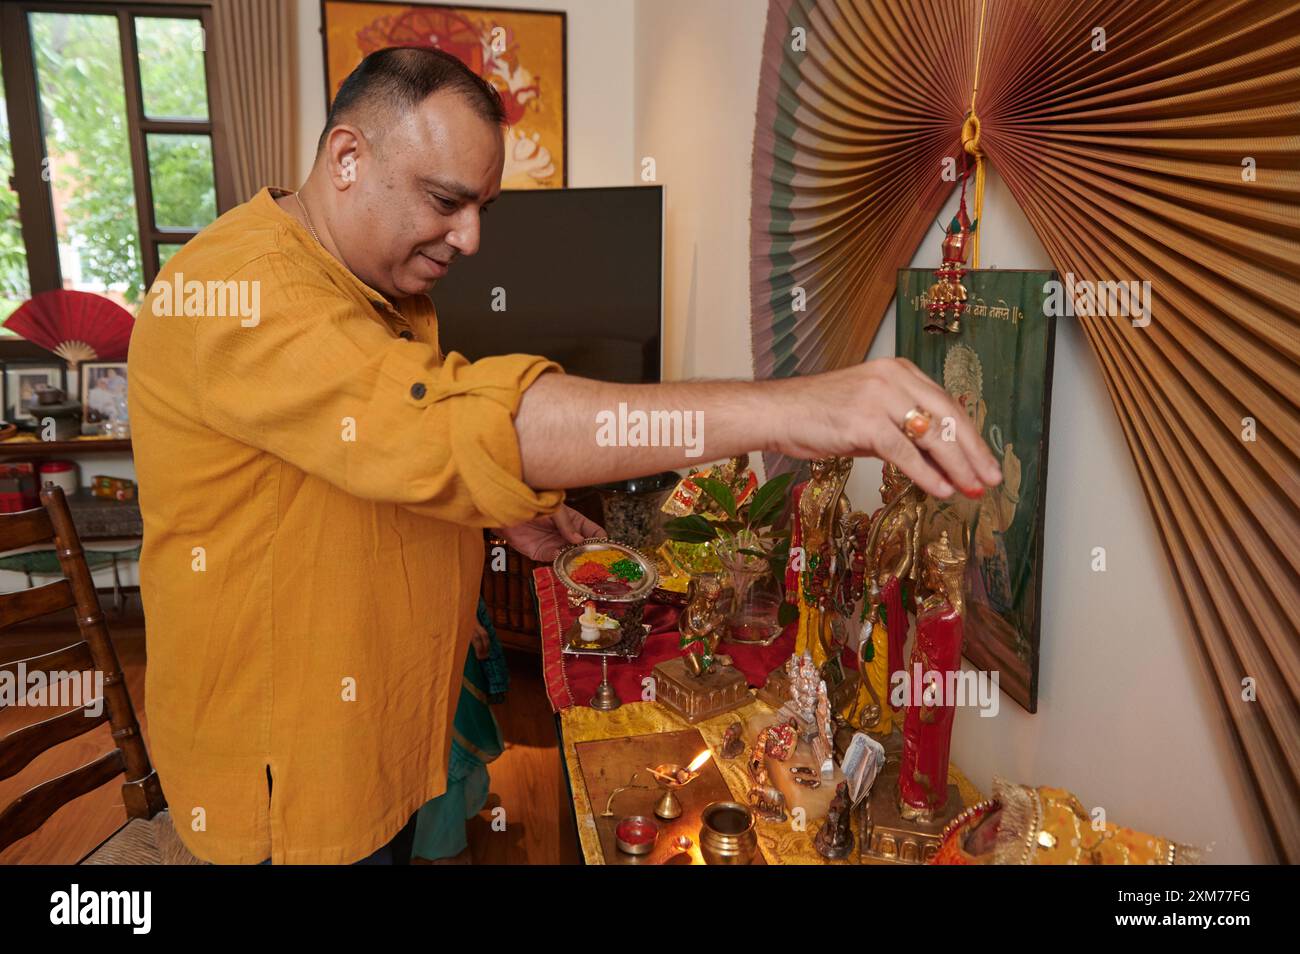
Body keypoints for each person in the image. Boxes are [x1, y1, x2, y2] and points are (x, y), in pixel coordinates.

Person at [128, 47, 1000, 865]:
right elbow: (453, 423)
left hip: (368, 742)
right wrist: (787, 408)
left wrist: (510, 506)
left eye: (481, 208)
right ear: (347, 156)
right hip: (292, 774)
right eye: (443, 201)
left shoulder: (362, 286)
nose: (470, 239)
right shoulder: (247, 293)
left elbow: (367, 442)